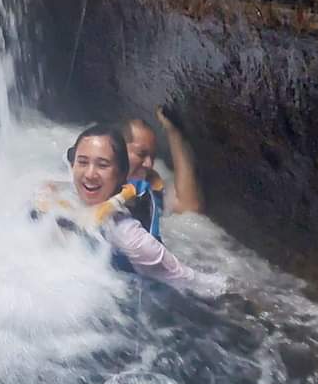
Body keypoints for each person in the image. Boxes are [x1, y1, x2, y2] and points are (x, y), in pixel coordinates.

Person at [31, 125, 193, 285]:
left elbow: (193, 281)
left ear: (122, 173)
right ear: (73, 165)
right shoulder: (75, 189)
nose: (89, 174)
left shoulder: (129, 237)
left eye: (102, 165)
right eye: (83, 162)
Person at [122, 108, 203, 222]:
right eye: (141, 154)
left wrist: (173, 134)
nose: (149, 164)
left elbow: (189, 208)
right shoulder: (94, 184)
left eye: (152, 156)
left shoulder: (152, 187)